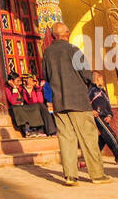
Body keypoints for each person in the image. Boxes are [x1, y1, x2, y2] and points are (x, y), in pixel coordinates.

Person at [43, 23, 111, 185]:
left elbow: (46, 75)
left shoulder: (47, 53)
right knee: (88, 137)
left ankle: (70, 176)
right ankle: (97, 175)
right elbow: (87, 74)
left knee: (66, 139)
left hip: (59, 102)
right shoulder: (74, 50)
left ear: (53, 36)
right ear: (67, 34)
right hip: (79, 101)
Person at [88, 75, 118, 165]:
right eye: (102, 79)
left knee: (104, 137)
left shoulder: (102, 91)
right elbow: (85, 101)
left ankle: (92, 158)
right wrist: (91, 110)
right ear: (97, 79)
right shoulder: (90, 89)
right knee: (111, 135)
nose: (103, 80)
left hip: (105, 116)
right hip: (97, 116)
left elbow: (107, 104)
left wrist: (110, 115)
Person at [6, 73, 44, 138]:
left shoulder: (21, 89)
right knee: (18, 108)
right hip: (15, 109)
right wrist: (14, 88)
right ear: (11, 81)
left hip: (23, 107)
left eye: (20, 81)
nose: (19, 83)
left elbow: (30, 102)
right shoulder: (7, 89)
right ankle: (27, 131)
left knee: (36, 106)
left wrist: (29, 94)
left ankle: (37, 130)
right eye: (17, 81)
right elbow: (13, 102)